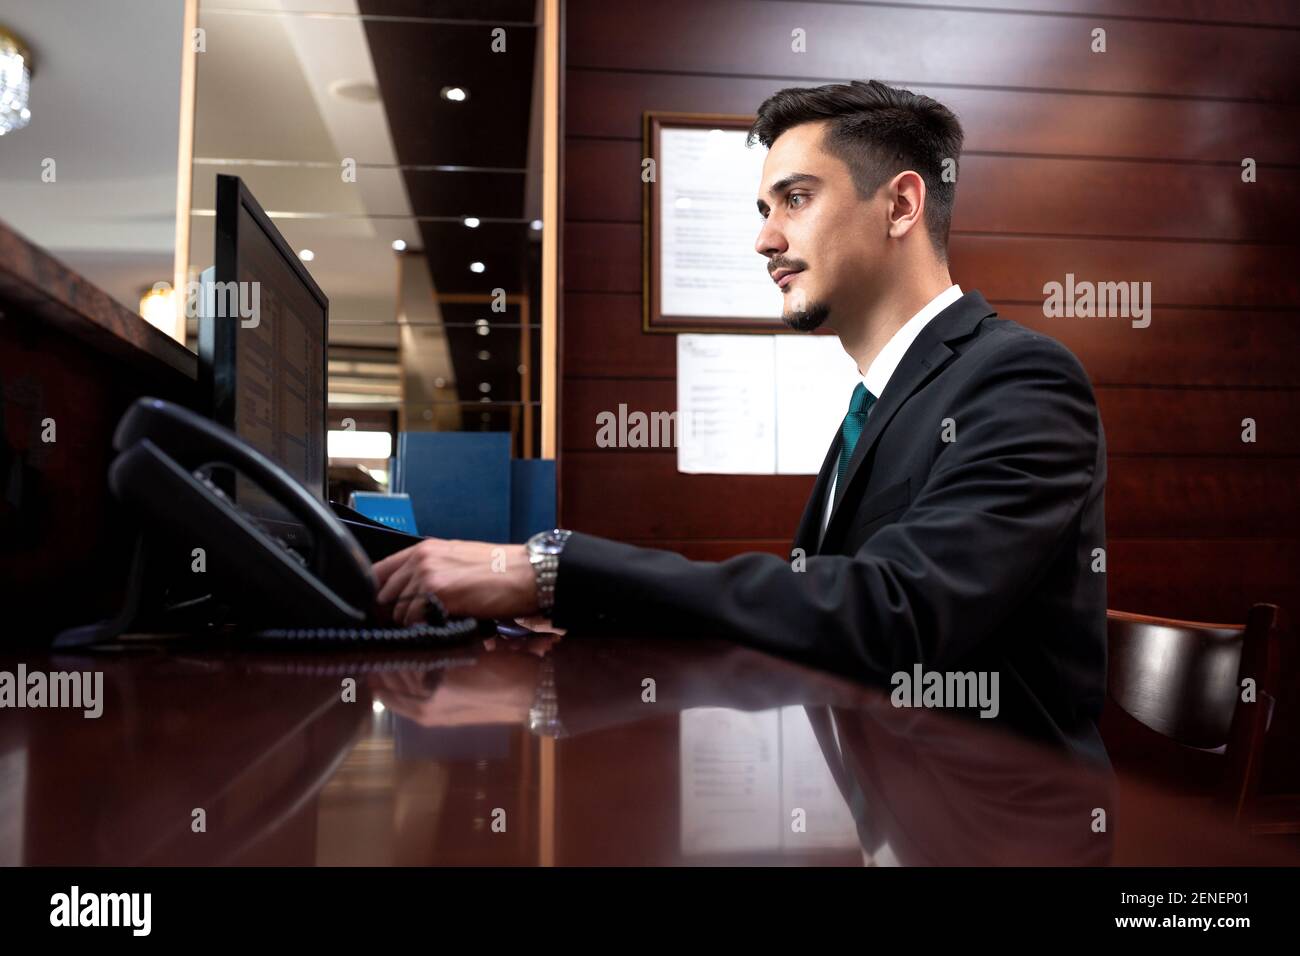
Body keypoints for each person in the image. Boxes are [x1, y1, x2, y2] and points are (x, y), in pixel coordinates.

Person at [373, 80, 1109, 763]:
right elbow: (814, 610)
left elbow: (893, 615)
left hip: (1005, 830)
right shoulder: (882, 401)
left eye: (795, 199)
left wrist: (551, 571)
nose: (765, 240)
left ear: (902, 205)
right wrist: (592, 608)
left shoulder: (1020, 379)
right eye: (765, 211)